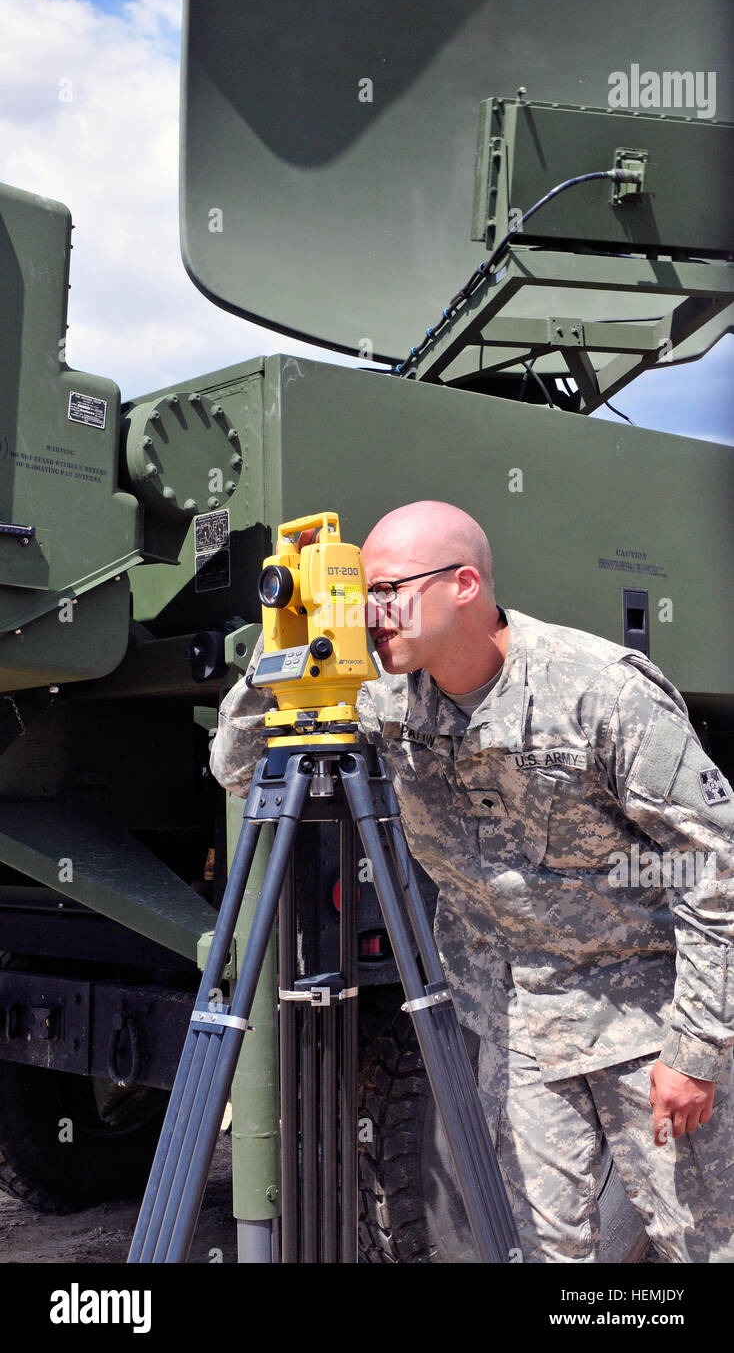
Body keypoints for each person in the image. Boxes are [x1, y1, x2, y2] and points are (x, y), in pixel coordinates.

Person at [210, 500, 734, 1263]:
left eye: (386, 590)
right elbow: (240, 767)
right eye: (358, 592)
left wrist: (696, 1050)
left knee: (705, 1245)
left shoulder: (599, 692)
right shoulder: (381, 699)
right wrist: (286, 643)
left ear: (463, 584)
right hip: (516, 1032)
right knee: (544, 1252)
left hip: (641, 1029)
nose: (368, 611)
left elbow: (715, 865)